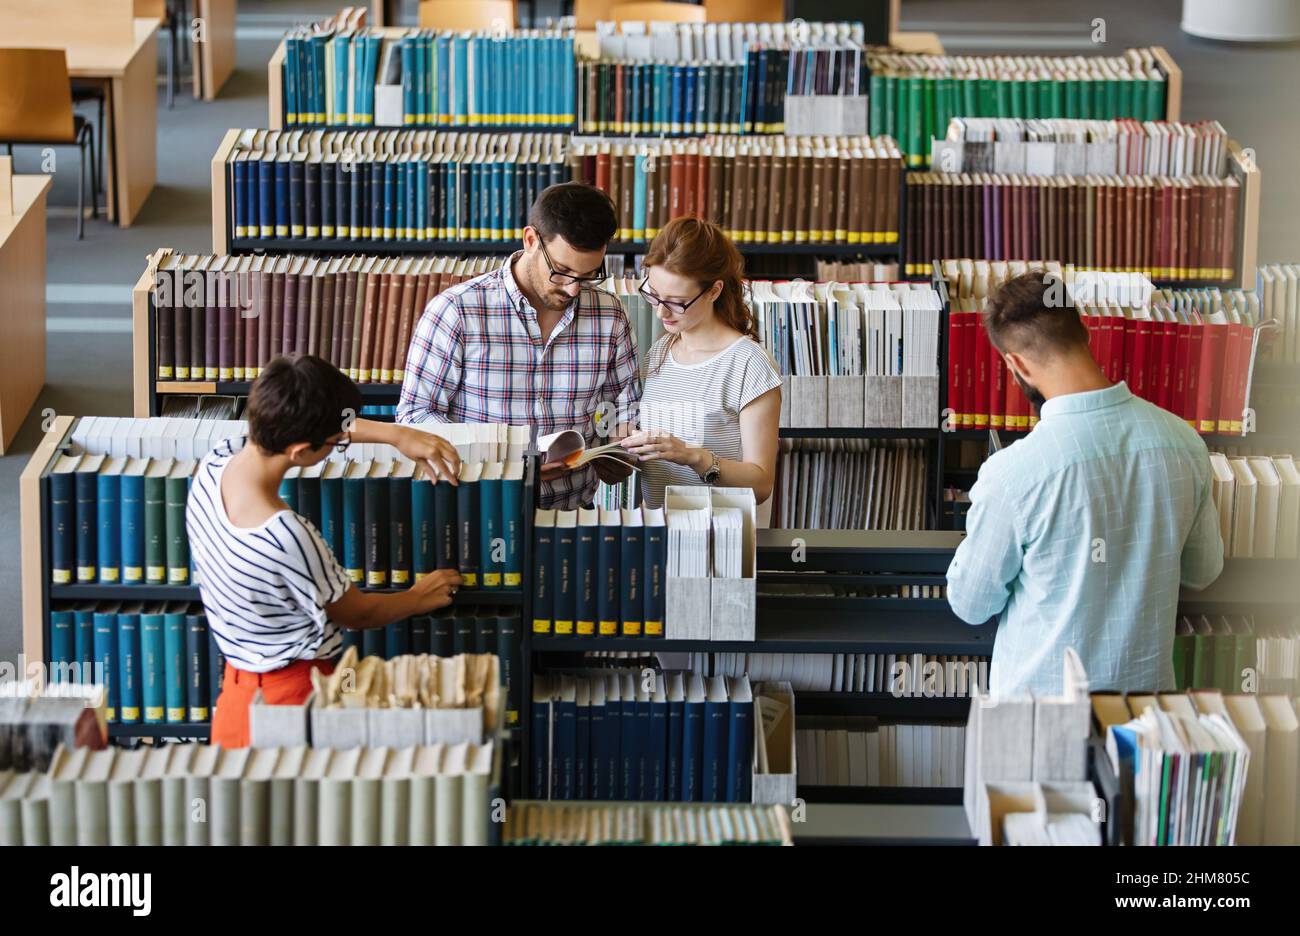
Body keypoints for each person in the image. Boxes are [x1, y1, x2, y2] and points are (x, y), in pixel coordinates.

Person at [945, 271, 1224, 696]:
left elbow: (971, 604)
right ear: (1086, 332)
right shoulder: (1184, 441)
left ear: (1016, 364)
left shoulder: (1013, 474)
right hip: (1145, 719)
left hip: (1039, 719)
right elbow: (1202, 572)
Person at [187, 354, 463, 748]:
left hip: (237, 695)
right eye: (334, 445)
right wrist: (417, 597)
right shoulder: (285, 535)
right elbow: (358, 613)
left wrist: (394, 434)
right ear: (300, 452)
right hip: (297, 703)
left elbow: (313, 419)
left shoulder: (216, 462)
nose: (337, 446)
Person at [397, 182, 640, 509]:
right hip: (480, 508)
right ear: (530, 240)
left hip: (572, 516)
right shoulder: (457, 311)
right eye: (562, 272)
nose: (572, 290)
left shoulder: (610, 314)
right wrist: (506, 462)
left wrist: (619, 444)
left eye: (586, 276)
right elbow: (414, 416)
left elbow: (622, 405)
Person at [619, 217, 781, 508]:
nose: (660, 313)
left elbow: (761, 485)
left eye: (677, 302)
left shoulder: (749, 363)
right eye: (654, 296)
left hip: (716, 536)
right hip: (655, 532)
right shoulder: (659, 352)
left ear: (714, 291)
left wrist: (695, 456)